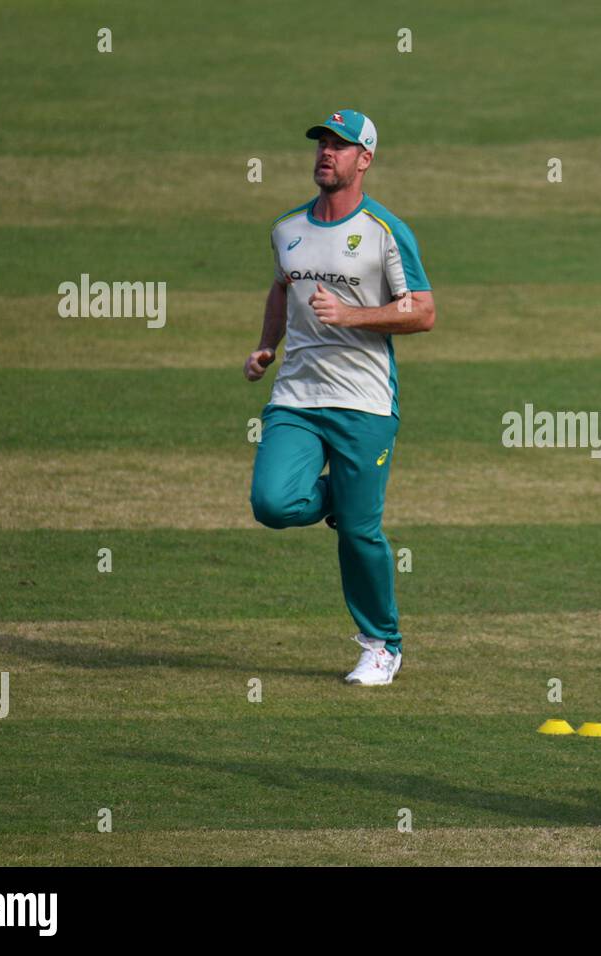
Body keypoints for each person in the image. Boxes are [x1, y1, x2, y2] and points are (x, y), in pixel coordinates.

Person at [244, 109, 435, 686]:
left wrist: (351, 315)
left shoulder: (385, 231)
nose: (327, 153)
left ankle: (383, 645)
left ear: (365, 160)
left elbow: (422, 312)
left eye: (341, 146)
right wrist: (265, 346)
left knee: (359, 532)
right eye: (323, 144)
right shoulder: (287, 229)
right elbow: (283, 288)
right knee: (272, 504)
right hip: (297, 397)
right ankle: (339, 498)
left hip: (365, 402)